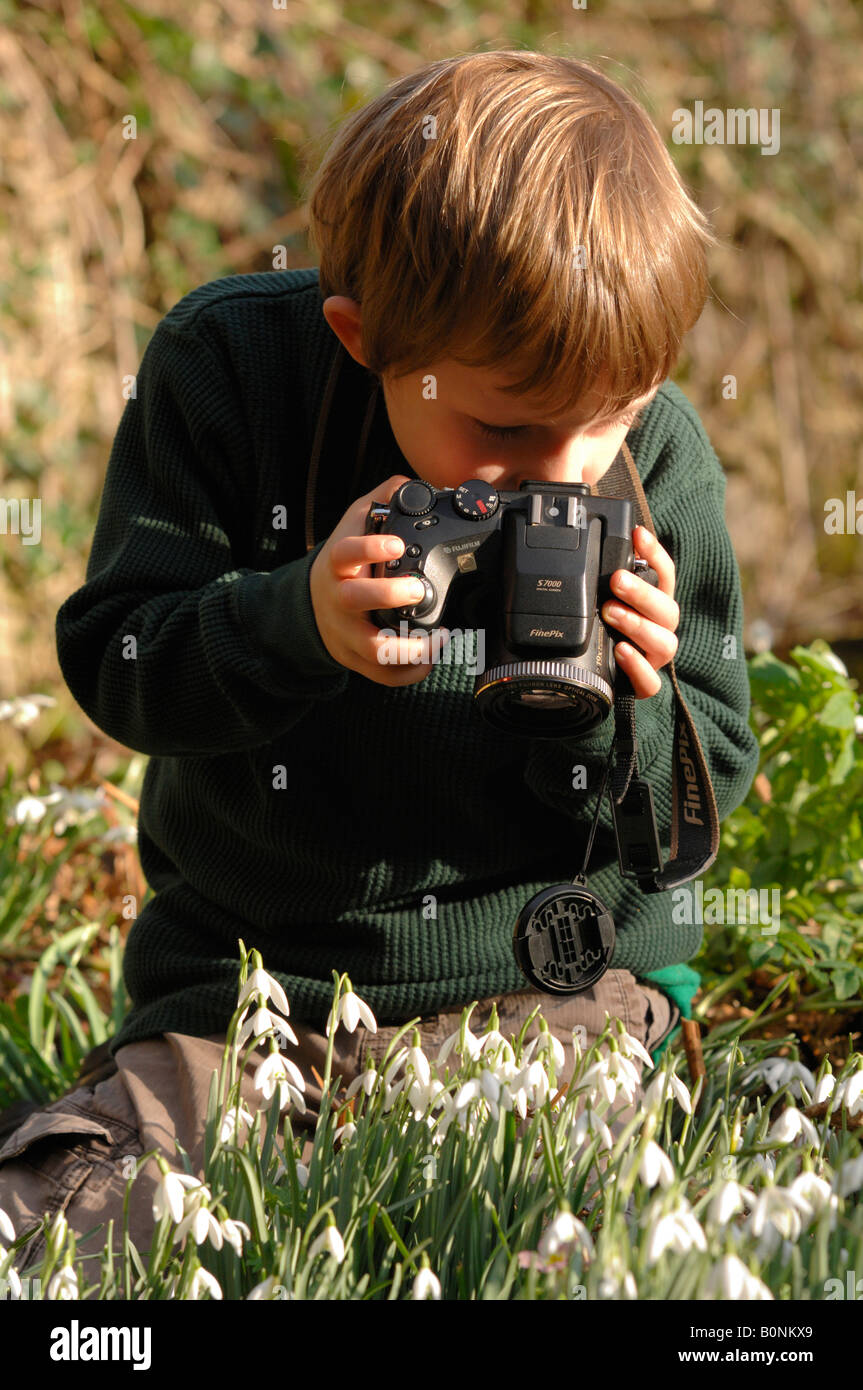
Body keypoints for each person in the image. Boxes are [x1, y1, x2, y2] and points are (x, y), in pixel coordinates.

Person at [0, 49, 758, 1285]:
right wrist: (292, 620)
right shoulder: (229, 373)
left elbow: (687, 823)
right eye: (506, 430)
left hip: (547, 991)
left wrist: (621, 703)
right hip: (250, 992)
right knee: (63, 1227)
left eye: (611, 412)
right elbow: (120, 661)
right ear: (361, 339)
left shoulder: (654, 459)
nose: (565, 471)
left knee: (553, 1238)